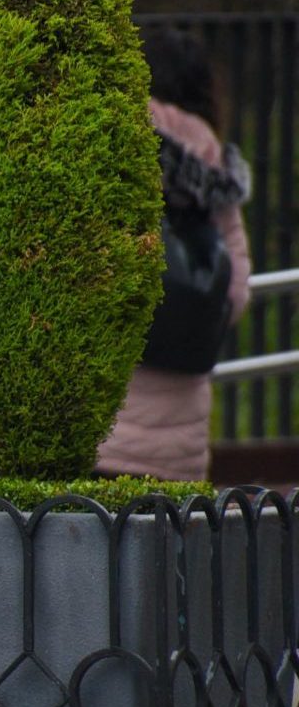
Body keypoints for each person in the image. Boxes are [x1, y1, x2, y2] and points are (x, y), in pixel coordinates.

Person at [99, 26, 252, 481]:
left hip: (101, 426)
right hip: (180, 445)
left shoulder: (107, 138)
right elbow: (237, 293)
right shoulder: (213, 167)